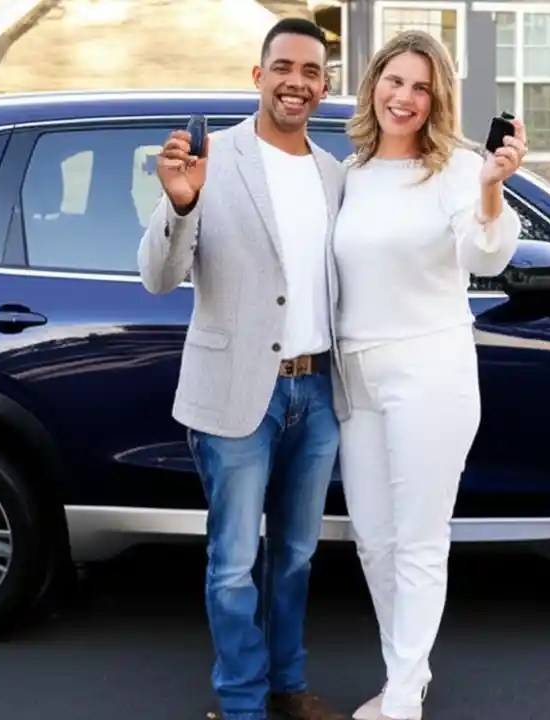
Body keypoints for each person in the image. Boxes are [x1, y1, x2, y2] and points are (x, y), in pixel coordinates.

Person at [137, 17, 349, 720]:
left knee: (293, 558)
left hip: (316, 393)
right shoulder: (206, 161)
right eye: (284, 67)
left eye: (312, 71)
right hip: (236, 397)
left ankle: (287, 686)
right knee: (232, 564)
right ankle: (241, 703)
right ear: (258, 77)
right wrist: (180, 202)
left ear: (324, 86)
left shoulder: (334, 175)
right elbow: (159, 279)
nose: (298, 82)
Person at [331, 30, 528, 720]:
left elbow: (485, 256)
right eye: (394, 81)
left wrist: (491, 189)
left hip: (429, 369)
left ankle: (403, 695)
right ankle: (406, 670)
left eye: (421, 86)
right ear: (374, 86)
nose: (405, 98)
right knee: (373, 541)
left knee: (418, 539)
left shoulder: (457, 169)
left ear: (437, 97)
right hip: (356, 376)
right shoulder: (351, 173)